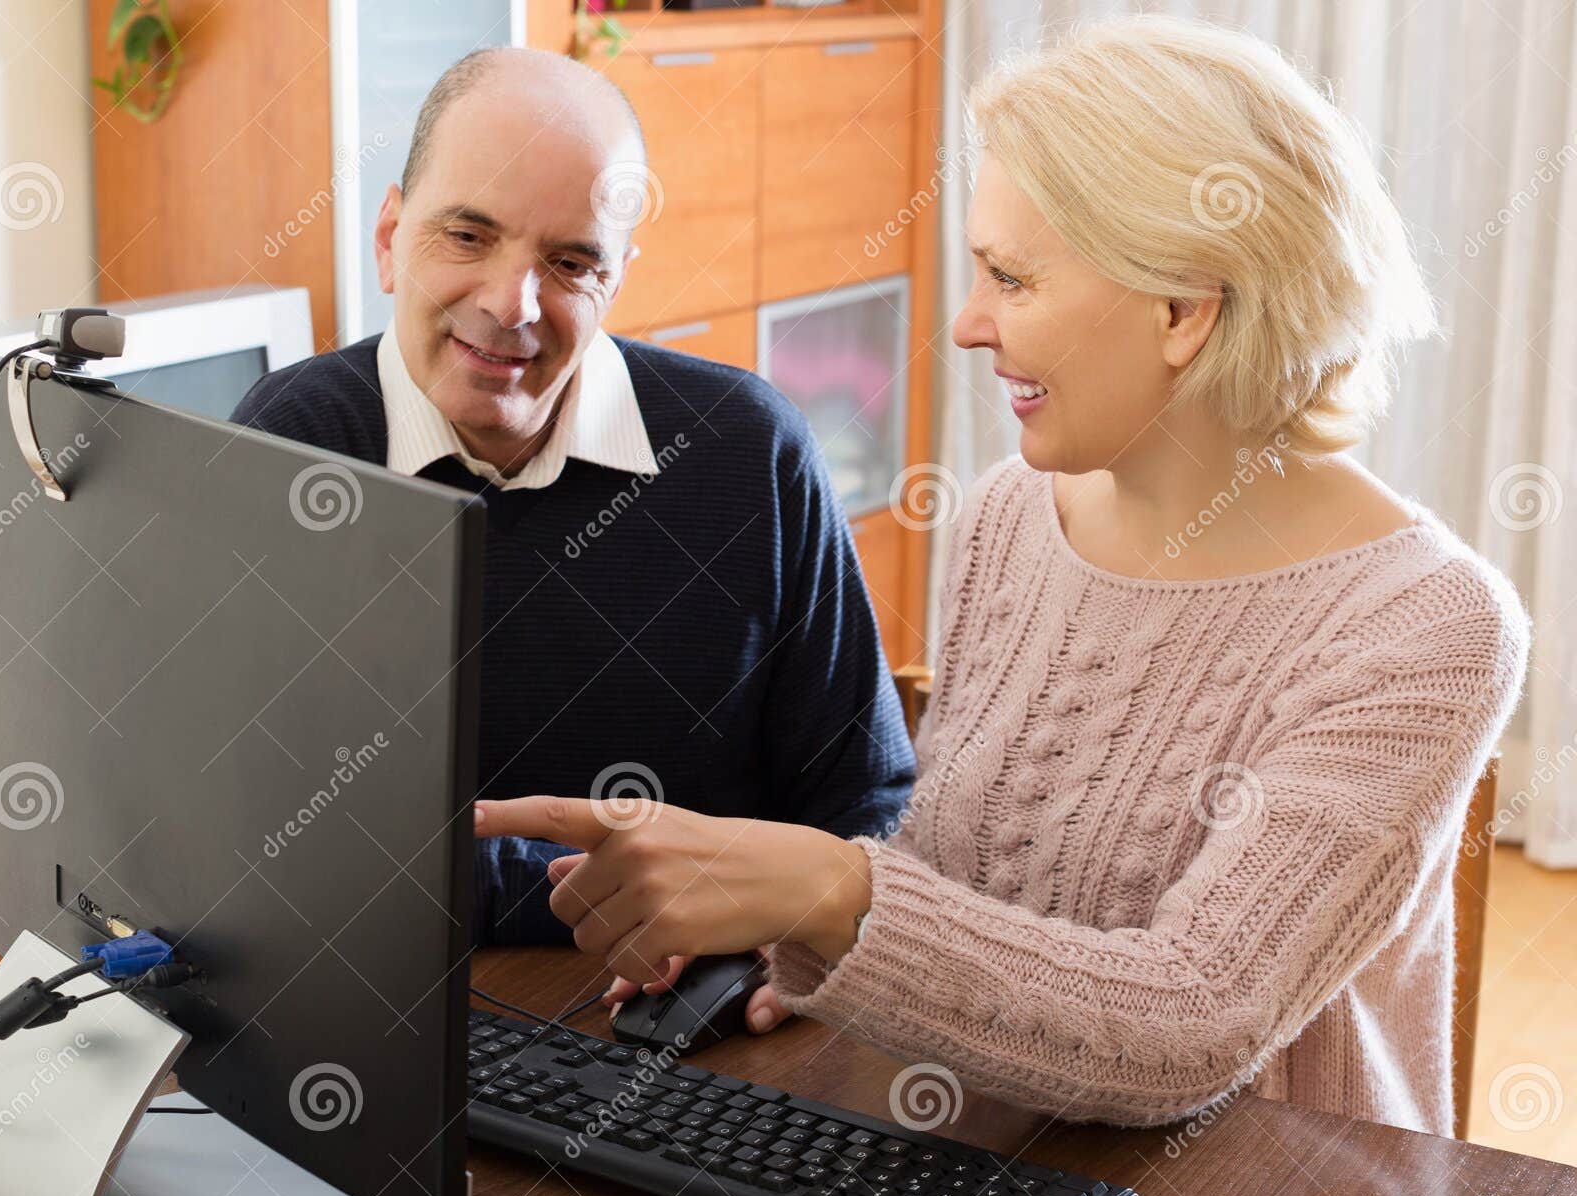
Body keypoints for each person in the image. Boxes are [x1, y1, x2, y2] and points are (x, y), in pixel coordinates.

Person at [475, 16, 1531, 1136]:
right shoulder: (1011, 519)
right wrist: (778, 925)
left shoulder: (1425, 628)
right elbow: (956, 888)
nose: (970, 325)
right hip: (980, 1152)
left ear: (1182, 311)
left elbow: (1191, 1030)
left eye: (1012, 279)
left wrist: (834, 891)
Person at [230, 48, 914, 998]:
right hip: (387, 1017)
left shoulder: (748, 450)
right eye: (467, 236)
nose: (511, 304)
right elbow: (276, 836)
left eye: (570, 261)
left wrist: (792, 933)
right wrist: (654, 896)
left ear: (617, 278)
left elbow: (867, 803)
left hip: (698, 1027)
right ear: (389, 237)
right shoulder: (290, 448)